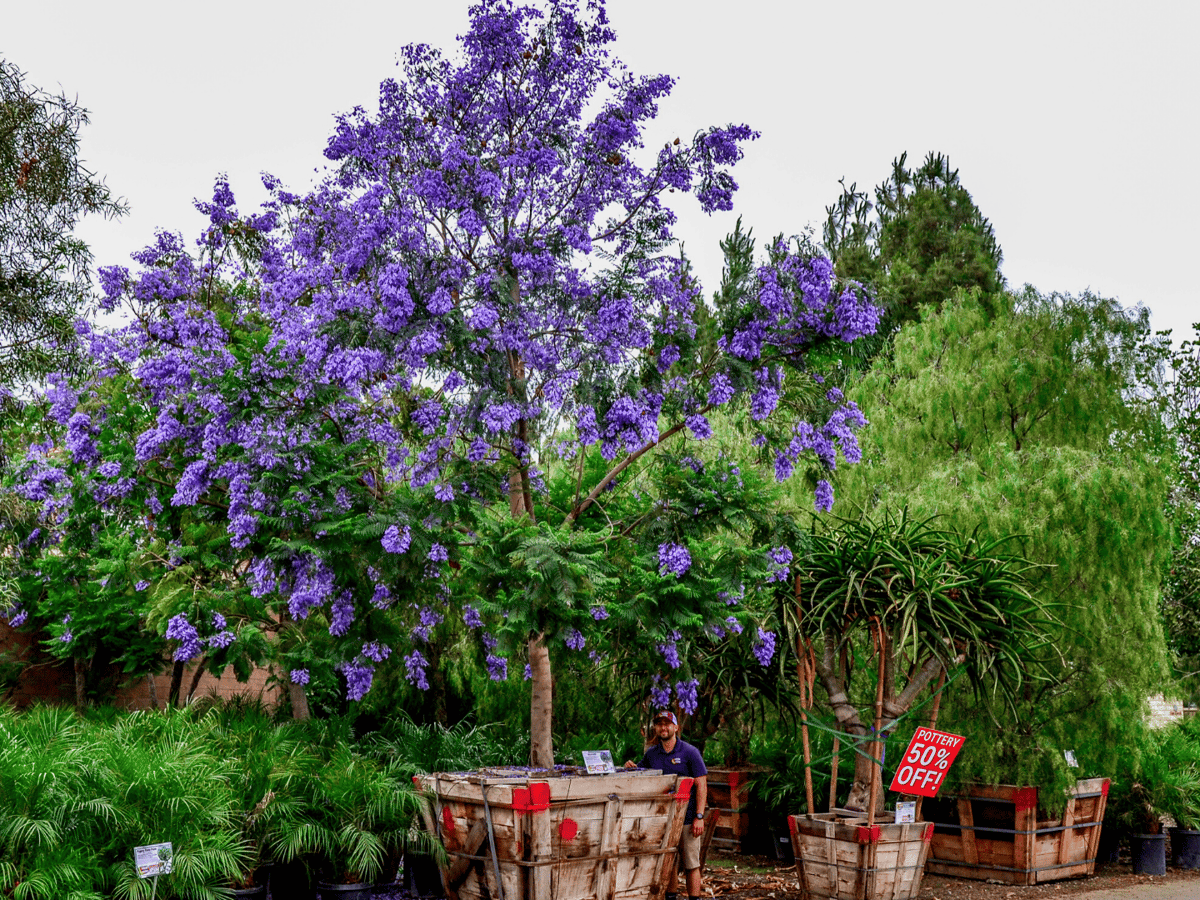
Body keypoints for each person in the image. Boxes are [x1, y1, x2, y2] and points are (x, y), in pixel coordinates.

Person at [624, 710, 708, 900]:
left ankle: (695, 898)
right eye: (659, 724)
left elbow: (702, 785)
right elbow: (641, 775)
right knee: (669, 862)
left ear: (675, 727)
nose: (663, 728)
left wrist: (699, 816)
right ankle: (670, 896)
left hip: (688, 818)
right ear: (655, 728)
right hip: (663, 819)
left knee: (691, 864)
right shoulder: (652, 754)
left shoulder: (690, 752)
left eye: (667, 724)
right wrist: (631, 768)